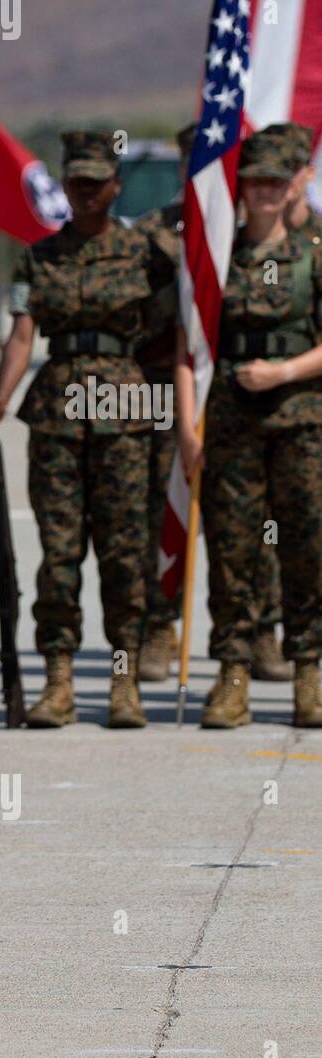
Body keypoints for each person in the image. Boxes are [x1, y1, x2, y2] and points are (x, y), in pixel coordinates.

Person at [0, 131, 155, 728]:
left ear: (115, 185)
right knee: (59, 554)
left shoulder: (146, 252)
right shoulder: (40, 256)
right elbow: (23, 333)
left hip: (124, 412)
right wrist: (0, 398)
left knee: (124, 554)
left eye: (95, 183)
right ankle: (58, 681)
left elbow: (179, 328)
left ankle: (124, 681)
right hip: (57, 413)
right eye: (75, 183)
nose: (84, 193)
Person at [176, 125, 322, 729]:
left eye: (273, 181)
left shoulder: (314, 254)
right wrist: (187, 427)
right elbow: (191, 346)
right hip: (231, 426)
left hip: (302, 424)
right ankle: (232, 673)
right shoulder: (216, 254)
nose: (262, 191)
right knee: (233, 552)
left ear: (293, 185)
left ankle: (308, 669)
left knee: (307, 547)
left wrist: (284, 371)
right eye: (253, 180)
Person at [133, 125, 195, 683]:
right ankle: (158, 627)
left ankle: (261, 630)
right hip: (162, 393)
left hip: (241, 391)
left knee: (257, 516)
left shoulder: (251, 235)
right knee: (160, 510)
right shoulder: (151, 236)